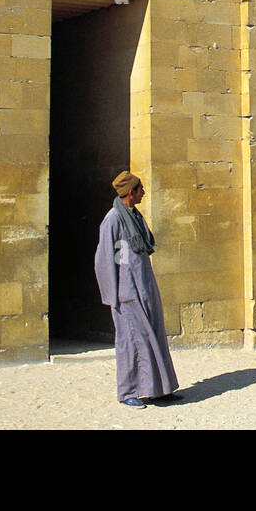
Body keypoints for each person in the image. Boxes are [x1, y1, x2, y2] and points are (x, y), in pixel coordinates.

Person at [94, 171, 181, 408]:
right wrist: (113, 296)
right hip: (127, 291)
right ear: (131, 192)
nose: (144, 192)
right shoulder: (113, 219)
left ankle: (159, 389)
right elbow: (104, 259)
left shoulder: (135, 216)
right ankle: (129, 391)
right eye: (141, 189)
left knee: (154, 335)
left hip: (145, 286)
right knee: (132, 340)